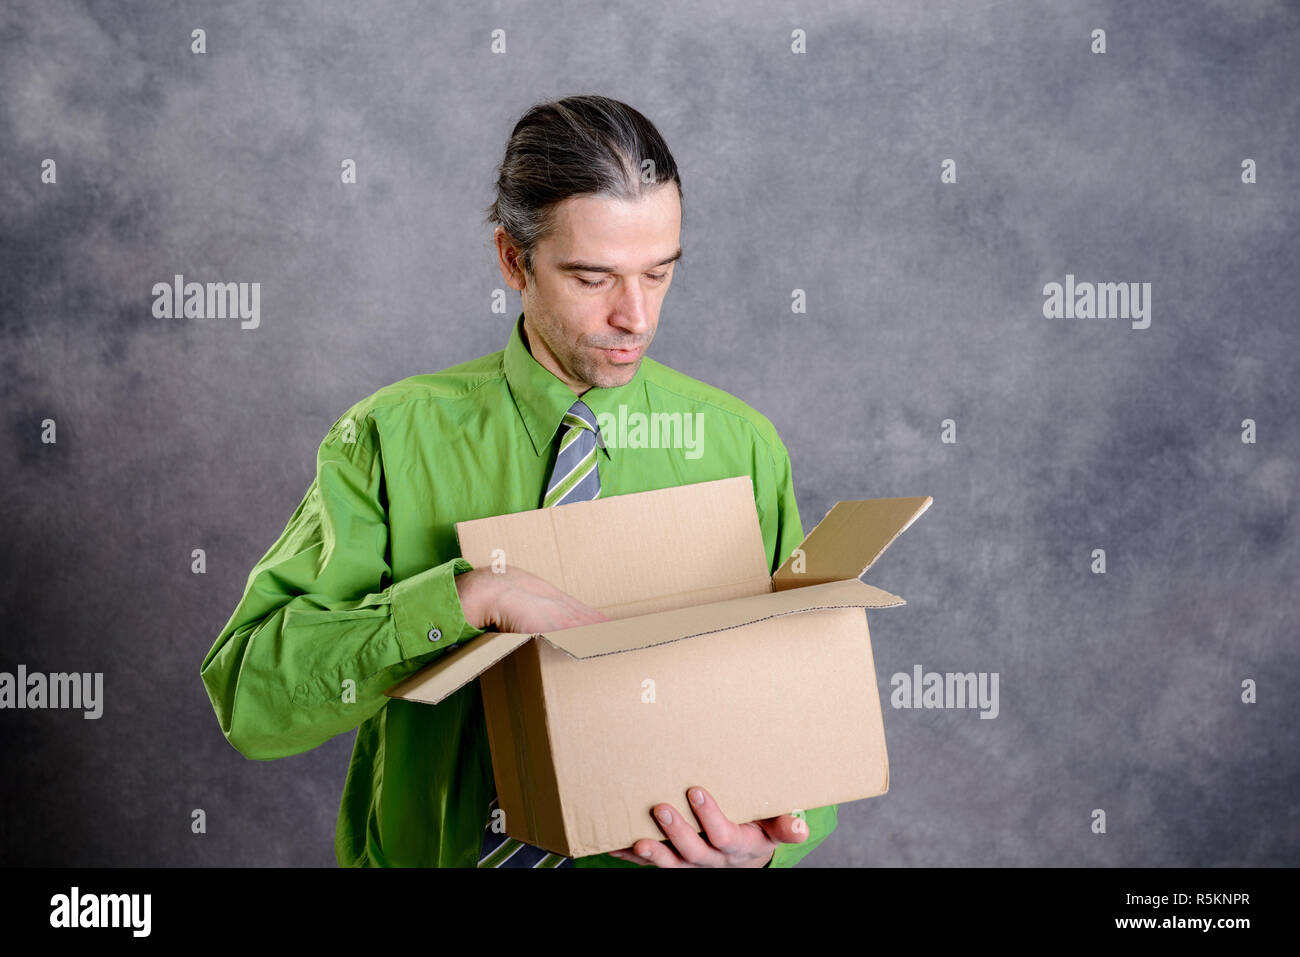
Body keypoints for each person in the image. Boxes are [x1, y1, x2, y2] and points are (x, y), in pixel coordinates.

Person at [200, 94, 838, 868]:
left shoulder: (740, 448)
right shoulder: (389, 438)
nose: (636, 316)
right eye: (593, 278)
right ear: (513, 260)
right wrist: (462, 602)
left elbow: (810, 725)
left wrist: (760, 850)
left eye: (659, 273)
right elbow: (251, 704)